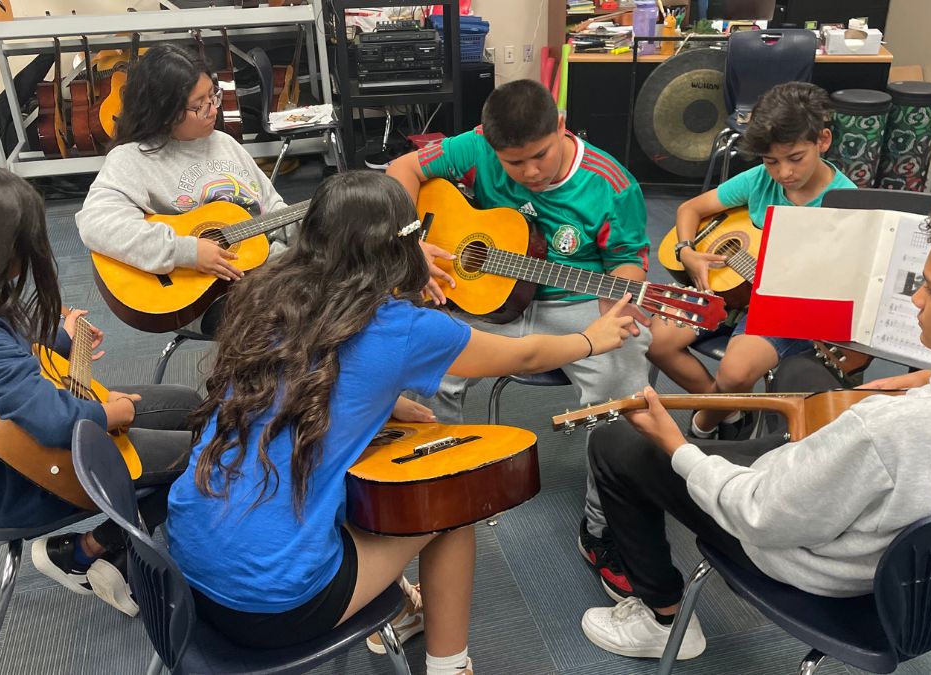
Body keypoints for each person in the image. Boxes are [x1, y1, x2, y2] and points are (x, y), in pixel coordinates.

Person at [165, 171, 636, 675]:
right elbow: (524, 355)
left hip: (185, 570)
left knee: (358, 475)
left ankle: (404, 613)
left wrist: (382, 403)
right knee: (450, 507)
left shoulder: (266, 293)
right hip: (272, 605)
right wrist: (593, 339)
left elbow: (298, 379)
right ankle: (450, 667)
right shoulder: (404, 327)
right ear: (405, 245)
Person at [580, 184, 931, 660]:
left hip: (814, 563)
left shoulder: (890, 428)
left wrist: (676, 447)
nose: (915, 300)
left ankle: (661, 618)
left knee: (616, 443)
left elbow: (758, 516)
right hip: (927, 575)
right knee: (799, 370)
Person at [0, 161, 202, 616]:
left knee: (189, 405)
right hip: (14, 483)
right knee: (208, 454)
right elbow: (54, 423)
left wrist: (61, 341)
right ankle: (85, 552)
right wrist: (113, 414)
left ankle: (120, 537)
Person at [386, 78, 653, 601]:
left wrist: (618, 301)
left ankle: (602, 527)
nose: (530, 172)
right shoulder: (475, 146)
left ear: (561, 126)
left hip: (573, 301)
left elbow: (626, 259)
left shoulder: (612, 184)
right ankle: (439, 494)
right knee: (424, 367)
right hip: (483, 297)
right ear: (490, 144)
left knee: (623, 390)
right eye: (514, 163)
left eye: (540, 155)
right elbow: (403, 169)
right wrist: (411, 240)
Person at [647, 81, 858, 441]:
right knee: (656, 341)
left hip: (783, 305)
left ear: (823, 140)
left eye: (795, 158)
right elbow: (691, 208)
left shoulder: (845, 203)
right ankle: (732, 410)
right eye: (771, 161)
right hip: (728, 288)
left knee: (735, 372)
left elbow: (843, 283)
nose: (783, 173)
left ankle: (704, 423)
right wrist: (687, 251)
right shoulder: (760, 180)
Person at [76, 44, 290, 336]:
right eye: (198, 105)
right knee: (308, 316)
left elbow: (274, 210)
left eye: (213, 96)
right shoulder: (133, 159)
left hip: (275, 268)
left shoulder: (225, 143)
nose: (213, 109)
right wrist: (187, 251)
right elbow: (96, 225)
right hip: (210, 295)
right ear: (164, 112)